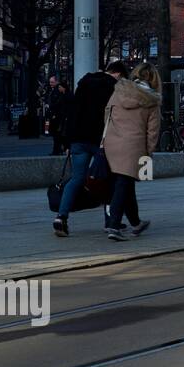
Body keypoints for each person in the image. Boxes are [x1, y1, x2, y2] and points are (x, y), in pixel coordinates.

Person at [53, 61, 127, 237]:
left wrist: (68, 142)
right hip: (101, 140)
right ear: (118, 74)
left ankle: (61, 217)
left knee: (77, 178)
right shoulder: (113, 87)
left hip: (78, 139)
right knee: (109, 179)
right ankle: (111, 221)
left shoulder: (83, 84)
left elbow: (73, 113)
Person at [102, 62, 161, 242]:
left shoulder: (119, 91)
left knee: (126, 184)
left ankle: (136, 223)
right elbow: (153, 132)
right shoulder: (152, 100)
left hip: (111, 142)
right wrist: (148, 154)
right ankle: (114, 225)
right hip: (134, 146)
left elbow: (107, 114)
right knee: (123, 184)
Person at [48, 80, 70, 155]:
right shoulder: (62, 95)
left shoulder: (65, 96)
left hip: (62, 118)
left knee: (59, 135)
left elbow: (58, 106)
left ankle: (61, 149)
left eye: (60, 87)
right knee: (59, 135)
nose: (59, 88)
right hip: (61, 118)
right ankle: (60, 149)